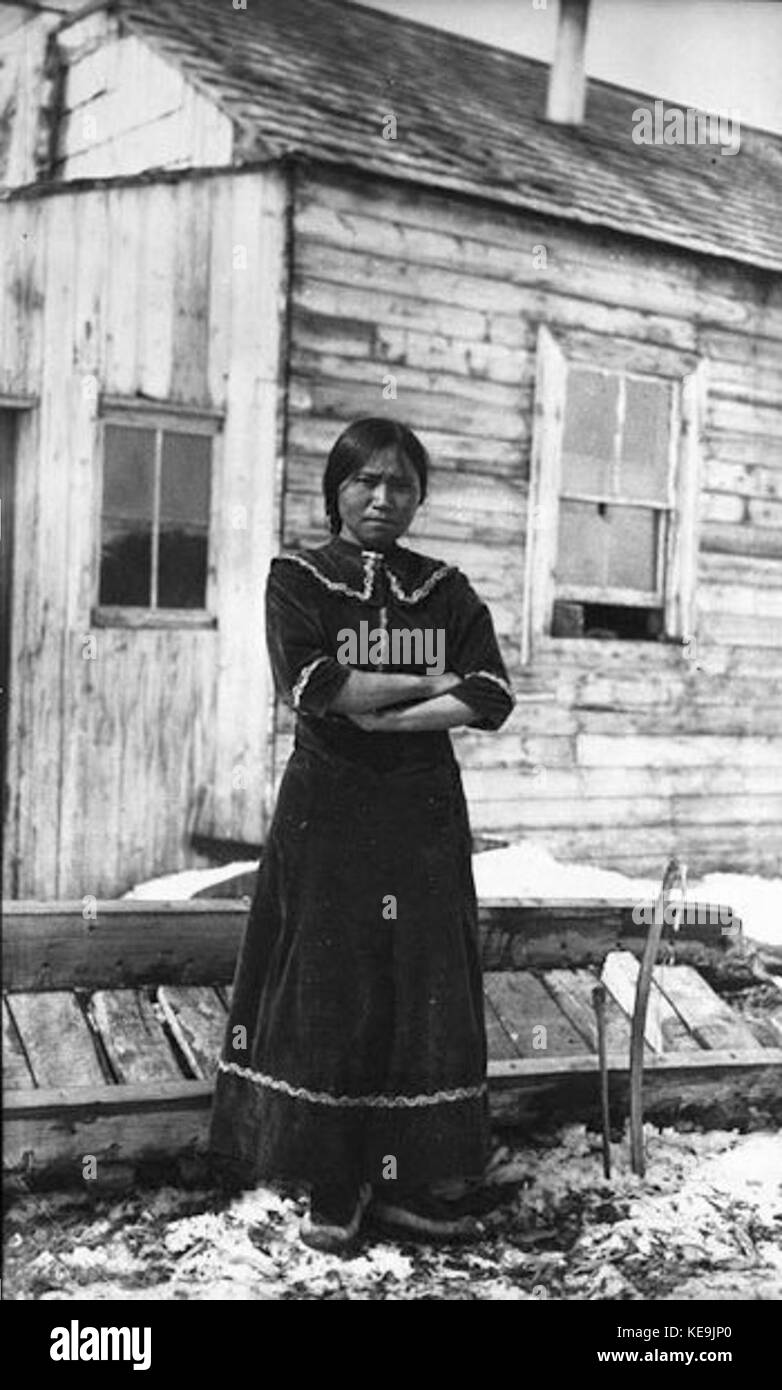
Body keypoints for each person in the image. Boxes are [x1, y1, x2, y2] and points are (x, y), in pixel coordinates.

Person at [209, 417, 515, 1251]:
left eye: (402, 485)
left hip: (420, 816)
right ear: (336, 489)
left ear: (419, 496)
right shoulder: (299, 577)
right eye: (365, 482)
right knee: (331, 979)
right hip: (330, 813)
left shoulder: (444, 586)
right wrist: (423, 680)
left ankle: (410, 1178)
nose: (383, 498)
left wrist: (390, 719)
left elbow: (489, 692)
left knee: (420, 980)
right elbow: (319, 682)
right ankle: (334, 1187)